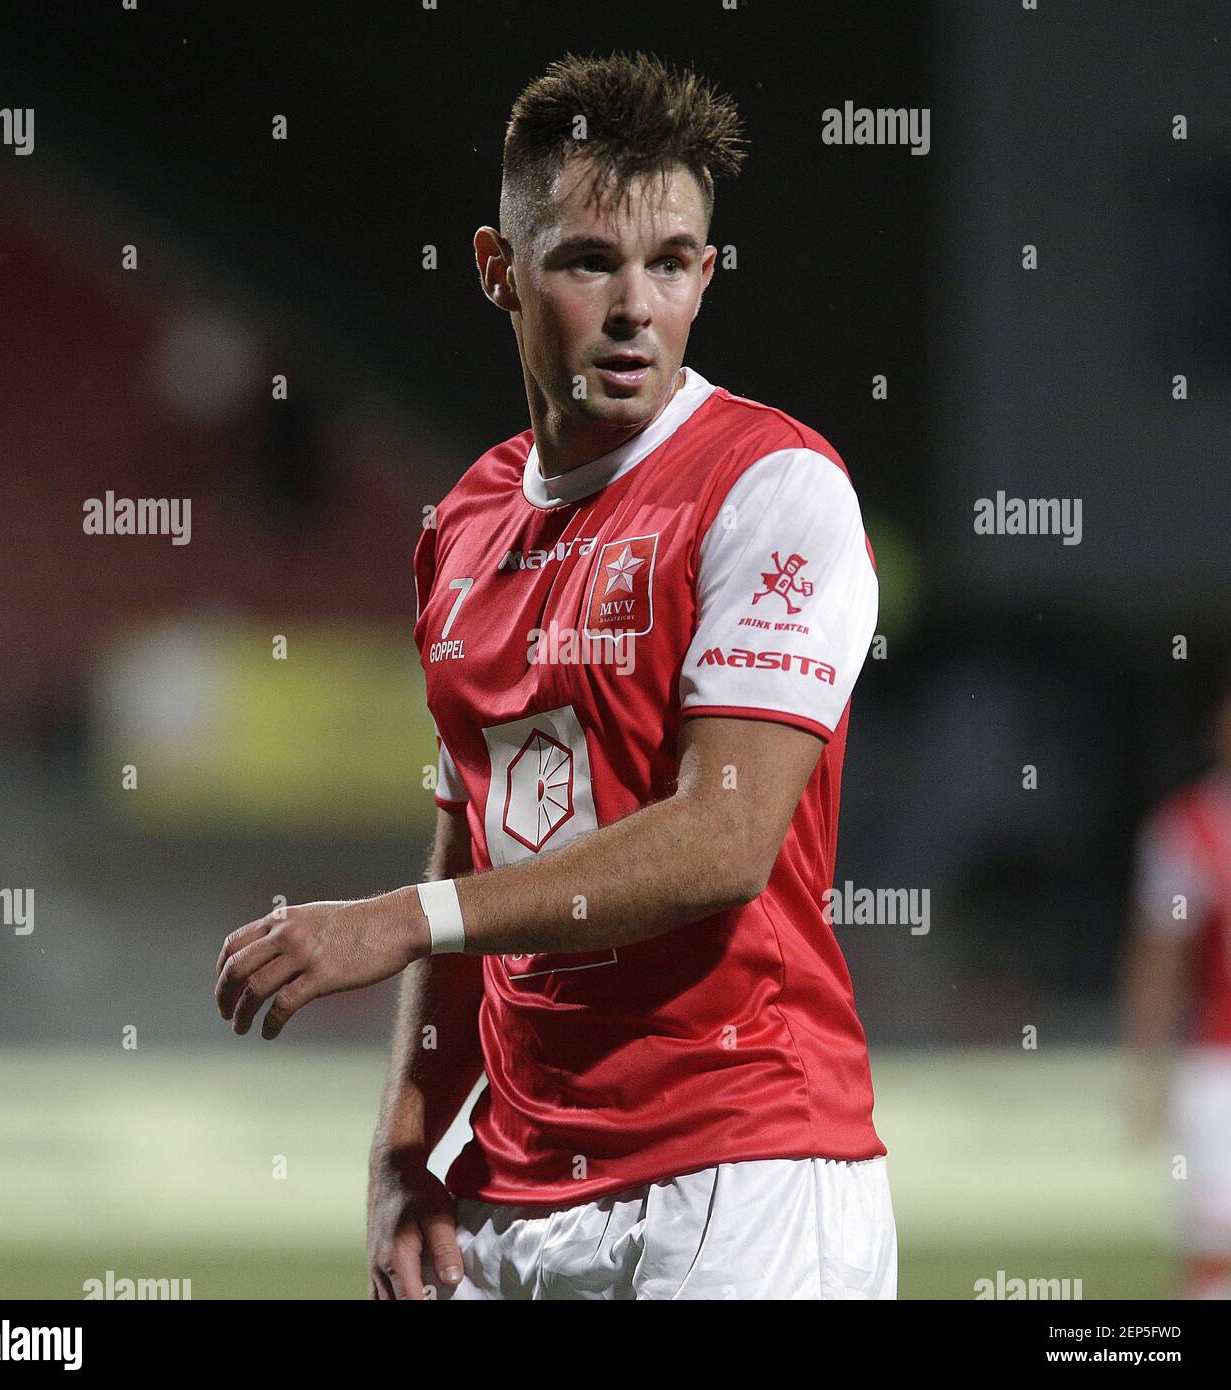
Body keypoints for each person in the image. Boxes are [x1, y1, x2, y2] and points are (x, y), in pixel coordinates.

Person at [215, 49, 895, 1300]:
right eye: (590, 260)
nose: (637, 305)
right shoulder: (462, 525)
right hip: (511, 1188)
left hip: (738, 1175)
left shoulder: (772, 487)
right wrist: (406, 1149)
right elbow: (468, 844)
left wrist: (391, 922)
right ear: (497, 271)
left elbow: (723, 840)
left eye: (674, 261)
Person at [1121, 667, 1231, 1299]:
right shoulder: (1188, 827)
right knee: (1211, 1254)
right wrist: (1148, 1071)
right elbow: (1158, 956)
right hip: (1217, 1063)